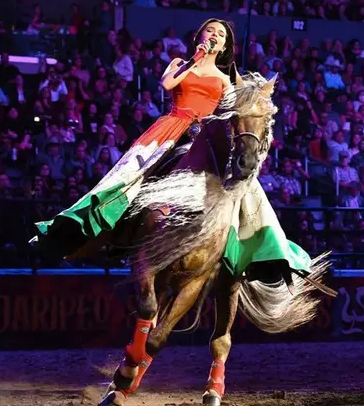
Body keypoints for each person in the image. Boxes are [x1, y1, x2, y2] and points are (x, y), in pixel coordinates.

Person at [32, 18, 239, 255]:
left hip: (205, 135)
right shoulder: (180, 63)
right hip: (172, 129)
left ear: (224, 47)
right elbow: (167, 83)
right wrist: (194, 60)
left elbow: (231, 111)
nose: (214, 35)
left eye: (221, 34)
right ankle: (104, 226)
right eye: (209, 31)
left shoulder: (225, 79)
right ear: (198, 38)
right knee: (129, 176)